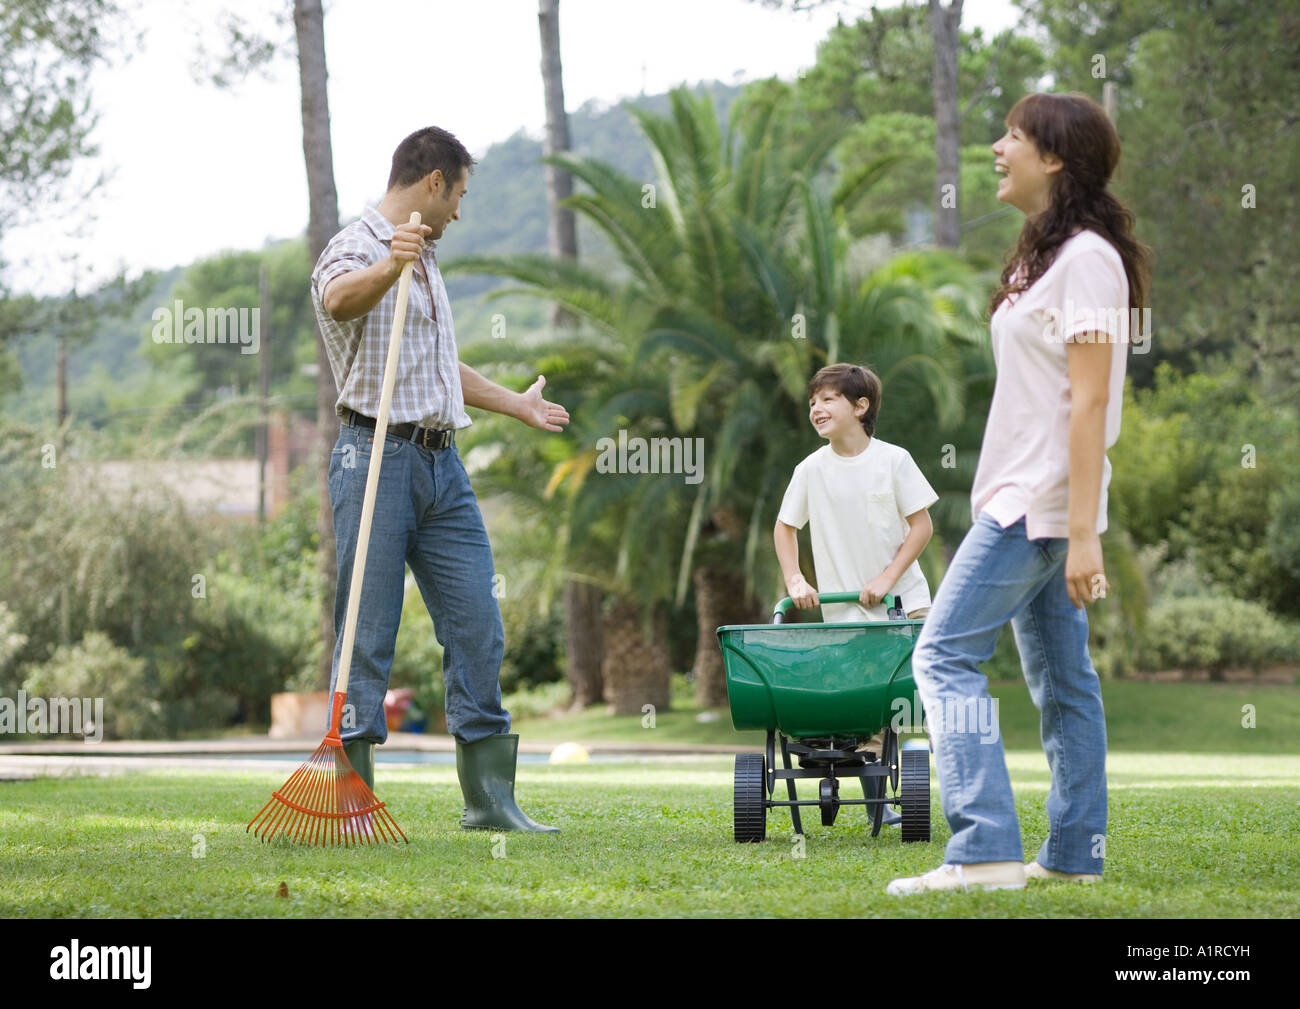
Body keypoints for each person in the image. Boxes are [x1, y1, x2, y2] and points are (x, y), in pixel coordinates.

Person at [886, 92, 1150, 894]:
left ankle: (985, 850)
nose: (997, 148)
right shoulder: (1045, 259)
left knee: (942, 653)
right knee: (1064, 679)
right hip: (1028, 494)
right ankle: (1074, 853)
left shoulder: (1089, 261)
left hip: (1035, 502)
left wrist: (1084, 532)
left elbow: (1092, 401)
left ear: (1056, 156)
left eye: (1013, 136)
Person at [310, 126, 570, 833]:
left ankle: (489, 799)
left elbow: (436, 366)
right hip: (375, 456)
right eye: (458, 193)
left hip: (440, 462)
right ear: (433, 182)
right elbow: (337, 301)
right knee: (368, 630)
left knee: (478, 622)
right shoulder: (361, 246)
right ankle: (352, 798)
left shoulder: (424, 263)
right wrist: (389, 269)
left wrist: (515, 402)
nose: (459, 210)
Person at [775, 363, 939, 825]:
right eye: (812, 401)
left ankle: (945, 788)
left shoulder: (893, 460)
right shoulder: (810, 469)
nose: (816, 408)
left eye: (828, 399)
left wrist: (887, 578)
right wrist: (796, 580)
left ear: (860, 406)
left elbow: (921, 526)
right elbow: (785, 528)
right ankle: (880, 810)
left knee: (914, 705)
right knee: (868, 713)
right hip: (845, 616)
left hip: (905, 604)